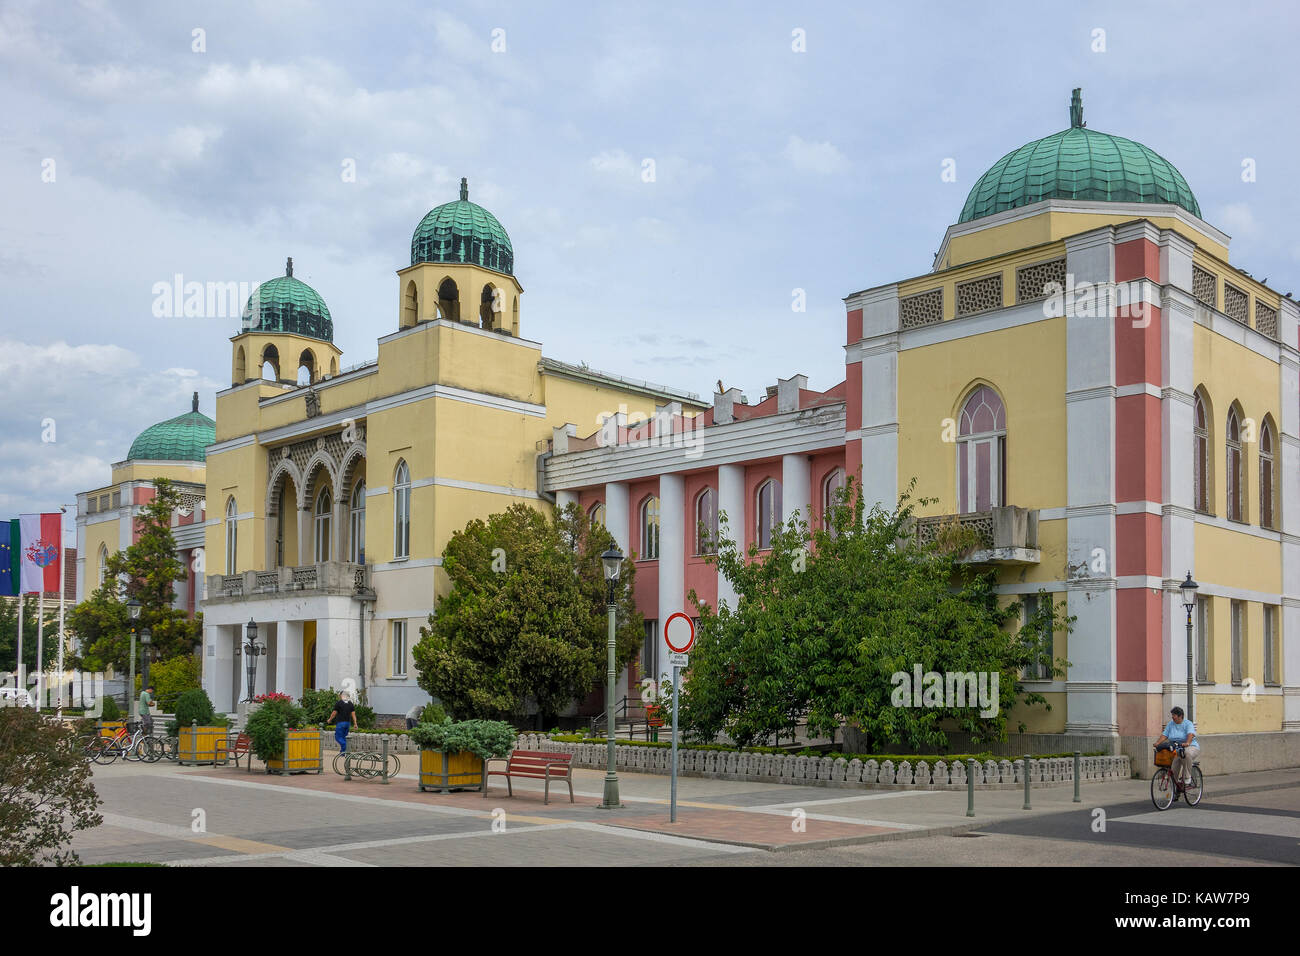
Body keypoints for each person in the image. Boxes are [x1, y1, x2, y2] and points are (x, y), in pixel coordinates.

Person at [1154, 706, 1200, 787]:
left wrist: (1187, 743)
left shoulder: (1188, 723)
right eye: (1172, 715)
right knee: (1174, 769)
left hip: (1191, 747)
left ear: (1180, 716)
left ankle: (1187, 776)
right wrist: (1158, 743)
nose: (1172, 717)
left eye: (1174, 715)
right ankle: (1175, 790)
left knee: (1186, 753)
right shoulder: (1171, 724)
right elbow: (1165, 735)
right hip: (1177, 749)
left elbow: (1190, 734)